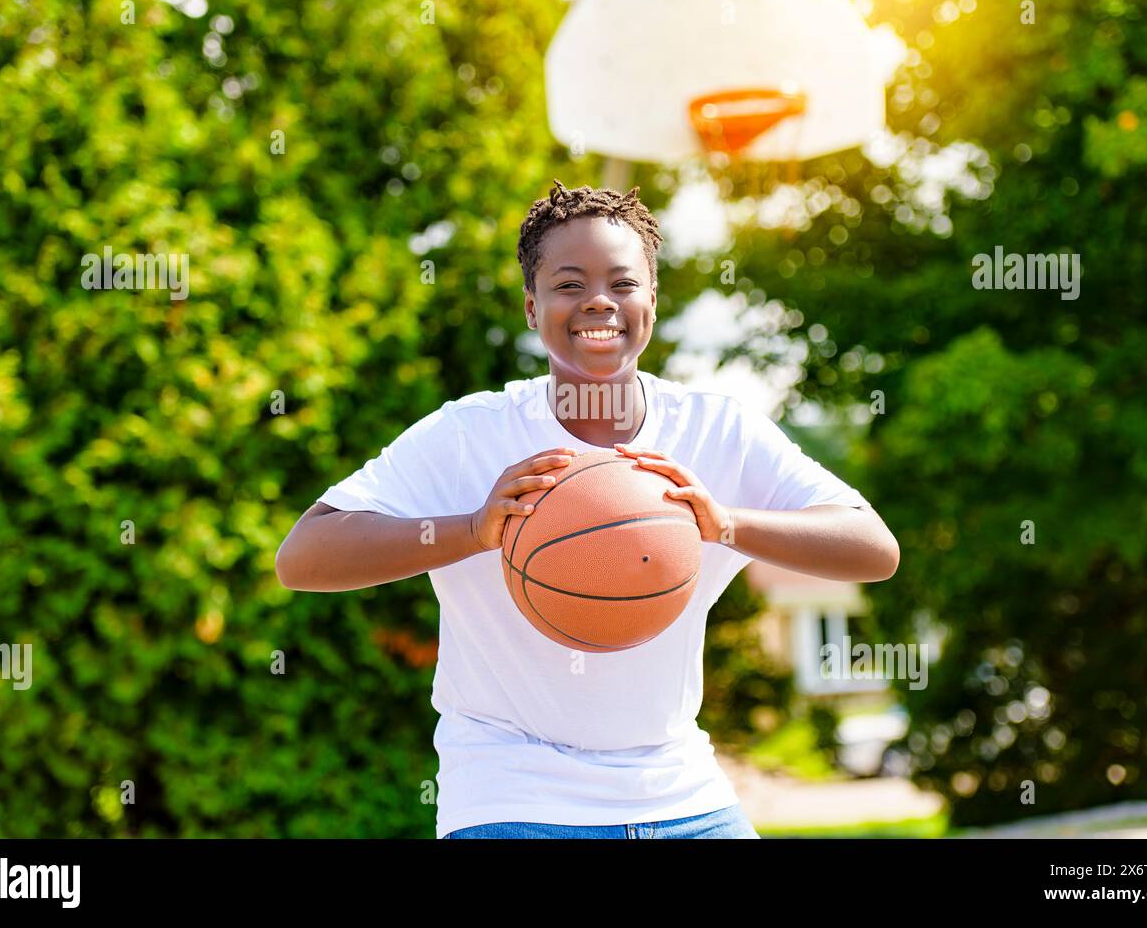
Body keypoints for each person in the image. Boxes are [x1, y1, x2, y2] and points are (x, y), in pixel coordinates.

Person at [275, 180, 900, 839]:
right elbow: (304, 556)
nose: (598, 301)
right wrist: (472, 530)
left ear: (652, 302)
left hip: (676, 788)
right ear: (531, 306)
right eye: (569, 284)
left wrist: (726, 525)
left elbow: (872, 546)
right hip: (511, 795)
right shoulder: (469, 435)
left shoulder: (719, 431)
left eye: (622, 283)